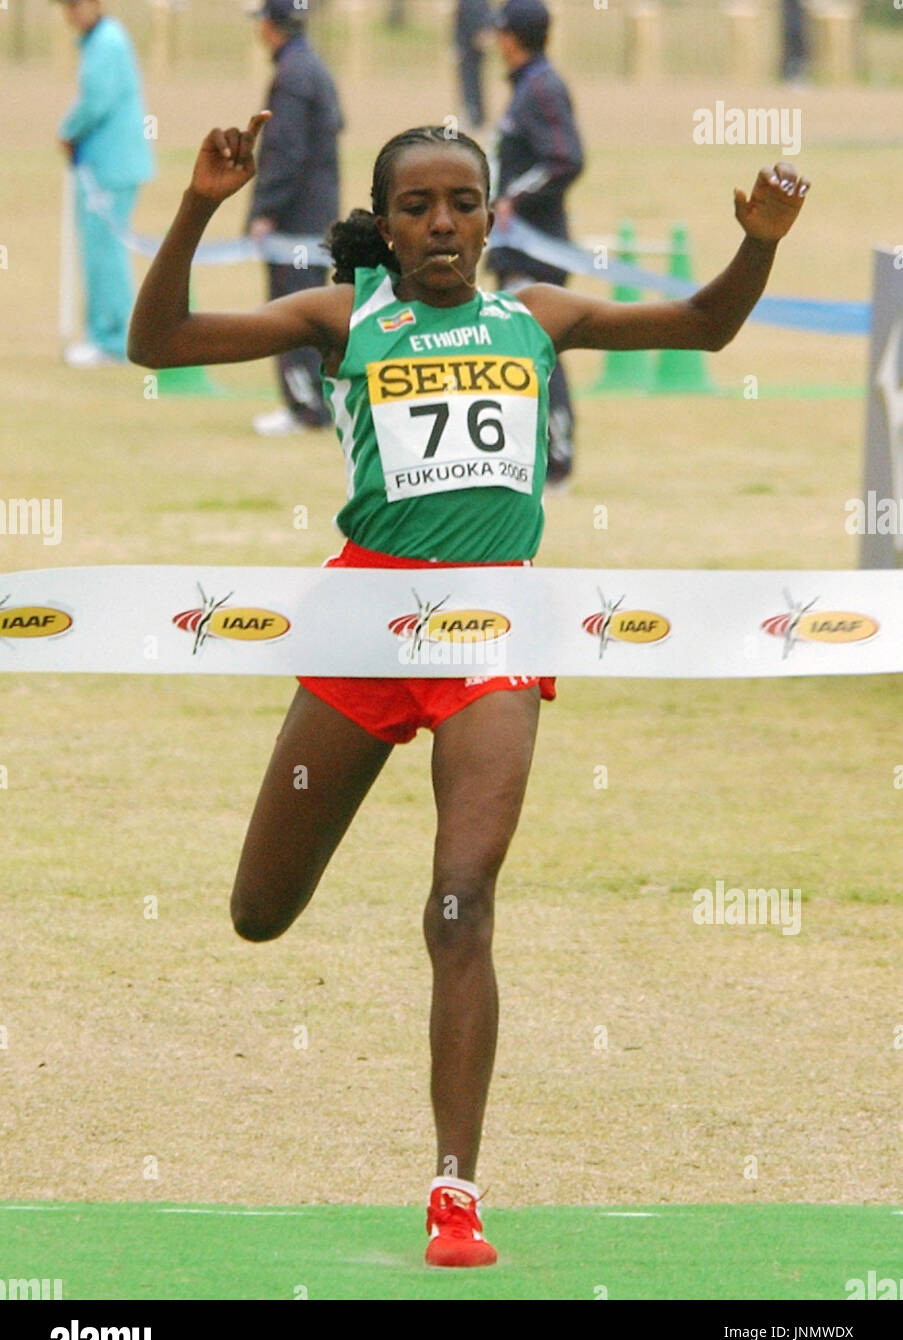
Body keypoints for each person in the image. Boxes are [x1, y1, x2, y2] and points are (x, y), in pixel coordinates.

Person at [128, 114, 808, 1265]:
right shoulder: (346, 318)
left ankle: (455, 1191)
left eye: (462, 202)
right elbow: (158, 342)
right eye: (416, 207)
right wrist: (198, 205)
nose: (442, 224)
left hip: (497, 627)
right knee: (258, 911)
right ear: (385, 229)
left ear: (492, 215)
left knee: (463, 897)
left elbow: (705, 324)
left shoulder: (536, 317)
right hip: (363, 625)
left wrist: (760, 244)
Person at [487, 0, 583, 492]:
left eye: (500, 31)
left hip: (538, 250)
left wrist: (513, 200)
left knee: (537, 349)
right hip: (516, 250)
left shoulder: (542, 87)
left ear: (513, 37)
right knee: (517, 352)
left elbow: (566, 158)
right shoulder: (525, 87)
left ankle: (558, 457)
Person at [246, 0, 344, 437]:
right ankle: (316, 404)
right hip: (318, 215)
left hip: (294, 221)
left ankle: (303, 407)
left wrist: (265, 209)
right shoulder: (315, 67)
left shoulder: (291, 77)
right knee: (313, 312)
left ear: (271, 26)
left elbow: (283, 152)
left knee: (289, 313)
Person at [54, 0, 154, 368]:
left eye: (75, 5)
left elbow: (96, 101)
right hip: (102, 164)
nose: (70, 14)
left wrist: (66, 130)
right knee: (100, 249)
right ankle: (104, 333)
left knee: (104, 251)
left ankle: (112, 339)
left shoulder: (108, 40)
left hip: (111, 165)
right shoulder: (98, 40)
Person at [454, 0, 494, 134]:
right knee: (473, 80)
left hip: (469, 45)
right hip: (468, 44)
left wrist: (483, 31)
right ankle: (477, 115)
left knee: (470, 81)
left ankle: (474, 114)